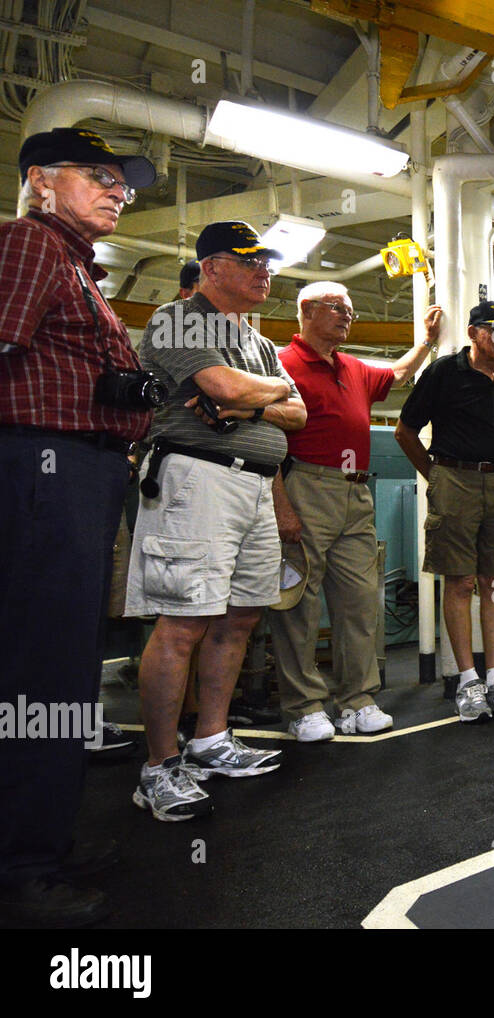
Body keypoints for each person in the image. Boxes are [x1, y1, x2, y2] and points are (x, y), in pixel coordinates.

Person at [0, 127, 156, 926]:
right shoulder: (28, 242)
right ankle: (25, 866)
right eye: (98, 176)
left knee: (61, 670)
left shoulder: (77, 270)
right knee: (43, 673)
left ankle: (41, 848)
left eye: (122, 183)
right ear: (41, 181)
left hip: (78, 472)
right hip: (42, 470)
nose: (117, 190)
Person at [127, 221, 307, 820]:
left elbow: (298, 412)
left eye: (268, 263)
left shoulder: (256, 339)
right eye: (249, 261)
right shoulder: (179, 319)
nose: (265, 272)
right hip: (195, 477)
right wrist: (257, 394)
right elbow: (221, 385)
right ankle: (158, 767)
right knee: (184, 622)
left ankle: (210, 739)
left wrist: (253, 395)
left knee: (240, 616)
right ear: (211, 269)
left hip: (254, 484)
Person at [271, 282, 442, 740]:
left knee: (361, 603)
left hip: (356, 491)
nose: (347, 316)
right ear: (306, 311)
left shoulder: (353, 368)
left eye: (350, 310)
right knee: (298, 605)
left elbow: (399, 375)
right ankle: (304, 706)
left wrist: (424, 342)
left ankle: (356, 700)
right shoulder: (281, 365)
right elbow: (266, 442)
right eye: (336, 308)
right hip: (305, 483)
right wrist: (281, 505)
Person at [395, 300, 494, 723]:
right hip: (454, 479)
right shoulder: (443, 372)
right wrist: (436, 477)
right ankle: (469, 681)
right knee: (459, 580)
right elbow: (405, 431)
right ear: (474, 333)